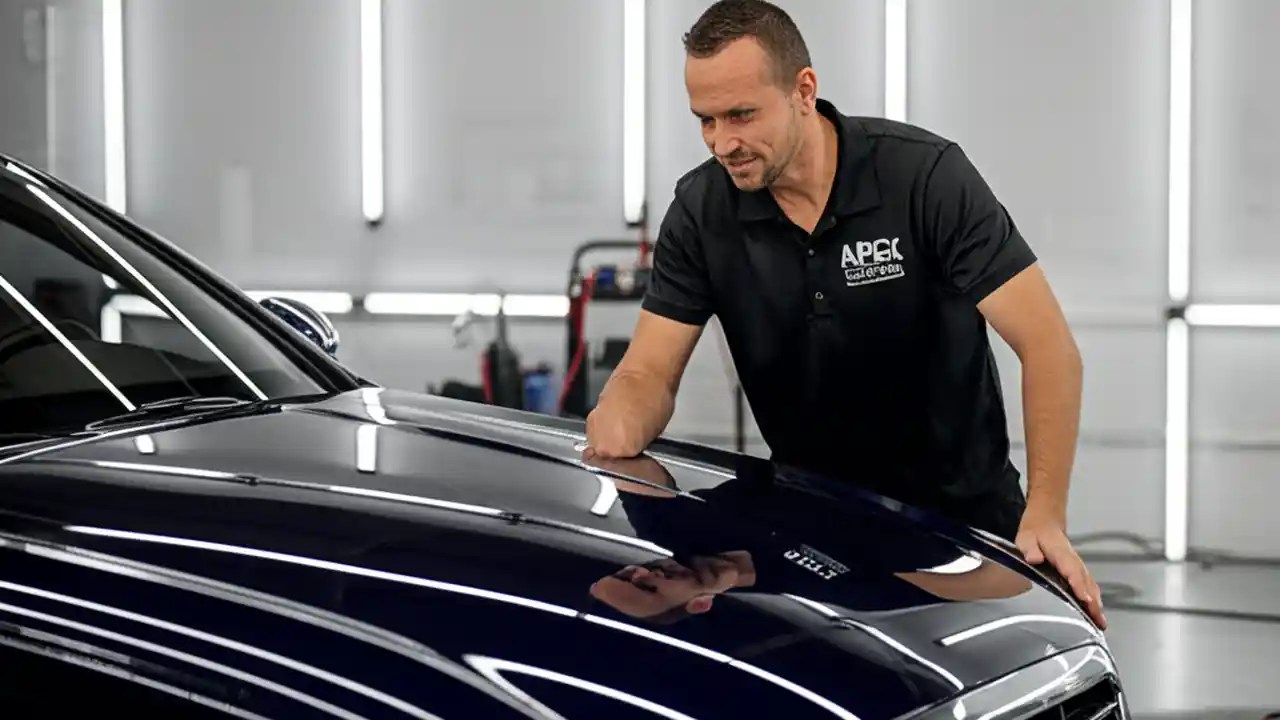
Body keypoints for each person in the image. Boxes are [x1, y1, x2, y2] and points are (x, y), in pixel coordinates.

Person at [583, 0, 1106, 629]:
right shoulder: (701, 211)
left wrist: (1046, 514)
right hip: (809, 528)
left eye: (742, 115)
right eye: (706, 120)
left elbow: (1049, 348)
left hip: (963, 533)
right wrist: (618, 420)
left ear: (804, 90)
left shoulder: (923, 178)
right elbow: (648, 373)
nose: (724, 142)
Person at [585, 454, 1033, 624]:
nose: (645, 571)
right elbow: (1004, 583)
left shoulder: (667, 529)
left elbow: (625, 463)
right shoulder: (828, 594)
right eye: (648, 587)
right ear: (698, 604)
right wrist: (1012, 518)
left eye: (628, 572)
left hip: (846, 415)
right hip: (951, 470)